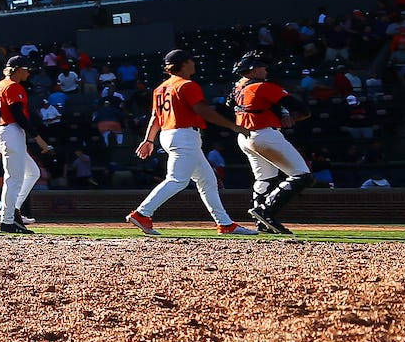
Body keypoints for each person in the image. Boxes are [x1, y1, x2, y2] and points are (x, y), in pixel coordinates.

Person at [127, 49, 256, 235]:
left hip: (170, 134)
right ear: (184, 63)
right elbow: (203, 111)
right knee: (177, 180)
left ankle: (225, 224)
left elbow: (155, 117)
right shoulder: (187, 85)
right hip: (184, 135)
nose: (194, 63)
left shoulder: (160, 88)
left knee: (208, 181)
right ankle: (142, 213)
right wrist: (233, 126)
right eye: (191, 61)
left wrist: (149, 139)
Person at [230, 52, 311, 235]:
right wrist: (289, 116)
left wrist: (280, 113)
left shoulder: (237, 88)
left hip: (244, 136)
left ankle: (261, 224)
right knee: (303, 176)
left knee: (265, 179)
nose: (265, 69)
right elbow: (302, 109)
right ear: (252, 69)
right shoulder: (263, 86)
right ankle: (265, 211)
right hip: (264, 135)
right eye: (261, 66)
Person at [0, 56, 48, 234]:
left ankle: (13, 210)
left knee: (32, 172)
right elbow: (18, 114)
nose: (28, 72)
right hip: (10, 130)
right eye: (26, 68)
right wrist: (38, 138)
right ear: (17, 69)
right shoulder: (13, 86)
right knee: (13, 178)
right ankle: (8, 220)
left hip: (2, 131)